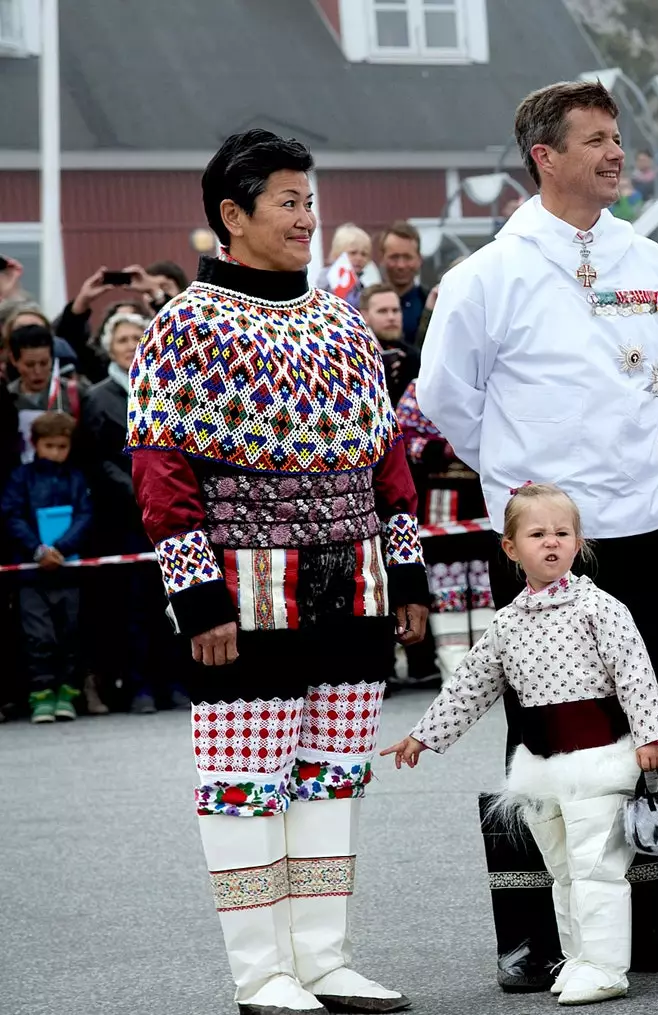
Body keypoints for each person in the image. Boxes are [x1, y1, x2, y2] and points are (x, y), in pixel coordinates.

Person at [417, 80, 658, 988]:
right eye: (594, 139)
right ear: (543, 157)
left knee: (644, 721)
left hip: (639, 522)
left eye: (617, 136)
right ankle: (533, 931)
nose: (615, 152)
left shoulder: (653, 265)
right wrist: (523, 483)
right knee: (539, 733)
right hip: (543, 535)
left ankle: (643, 918)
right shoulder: (490, 273)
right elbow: (446, 397)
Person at [127, 128, 428, 1015]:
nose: (307, 218)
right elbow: (160, 467)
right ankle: (263, 972)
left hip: (355, 579)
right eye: (289, 202)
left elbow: (388, 461)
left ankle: (323, 956)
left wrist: (405, 576)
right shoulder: (185, 323)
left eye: (310, 201)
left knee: (334, 770)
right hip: (245, 588)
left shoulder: (340, 321)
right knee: (244, 777)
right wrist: (196, 591)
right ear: (234, 213)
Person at [382, 483, 658, 1006]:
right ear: (511, 548)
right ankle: (578, 957)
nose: (552, 543)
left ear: (580, 542)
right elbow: (470, 684)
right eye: (538, 534)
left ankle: (606, 966)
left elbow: (635, 670)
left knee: (597, 867)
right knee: (562, 871)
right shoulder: (507, 622)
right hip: (539, 763)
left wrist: (651, 734)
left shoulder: (600, 608)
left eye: (563, 533)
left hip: (598, 756)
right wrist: (423, 735)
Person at [82, 311, 184, 715]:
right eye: (122, 338)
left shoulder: (166, 389)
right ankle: (140, 686)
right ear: (110, 346)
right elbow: (96, 460)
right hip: (124, 520)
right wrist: (139, 491)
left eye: (136, 337)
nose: (130, 345)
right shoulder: (98, 396)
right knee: (133, 610)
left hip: (169, 519)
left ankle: (175, 682)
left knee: (173, 603)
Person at [394, 379, 494, 682]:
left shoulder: (490, 383)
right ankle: (457, 673)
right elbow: (401, 435)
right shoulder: (423, 386)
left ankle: (489, 670)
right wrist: (443, 449)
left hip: (485, 496)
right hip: (441, 499)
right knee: (445, 584)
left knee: (485, 584)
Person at [4, 411, 91, 723]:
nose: (56, 452)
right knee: (38, 636)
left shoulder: (76, 477)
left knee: (69, 632)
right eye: (49, 446)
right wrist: (37, 549)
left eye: (62, 446)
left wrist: (61, 548)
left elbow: (84, 515)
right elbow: (12, 516)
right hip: (32, 573)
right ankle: (41, 695)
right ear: (35, 443)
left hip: (68, 569)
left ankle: (67, 693)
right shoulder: (21, 478)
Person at [9, 325, 81, 462]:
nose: (37, 371)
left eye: (44, 363)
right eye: (29, 365)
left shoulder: (74, 393)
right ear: (14, 360)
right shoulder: (7, 399)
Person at [360, 283, 419, 405]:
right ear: (364, 315)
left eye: (395, 310)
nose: (391, 317)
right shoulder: (356, 356)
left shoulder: (414, 356)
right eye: (382, 311)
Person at [378, 220, 427, 343]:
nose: (401, 265)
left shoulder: (433, 304)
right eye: (394, 257)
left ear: (419, 259)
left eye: (407, 257)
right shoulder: (365, 303)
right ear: (382, 259)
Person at [319, 222, 372, 300]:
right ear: (337, 253)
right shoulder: (331, 280)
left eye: (364, 254)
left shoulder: (359, 284)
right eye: (353, 253)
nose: (359, 258)